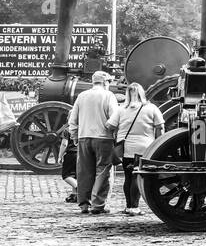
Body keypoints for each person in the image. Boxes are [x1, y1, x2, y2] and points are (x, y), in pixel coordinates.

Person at [105, 82, 165, 216]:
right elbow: (160, 126)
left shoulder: (121, 109)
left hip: (127, 148)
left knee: (128, 177)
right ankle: (135, 207)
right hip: (145, 147)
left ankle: (128, 206)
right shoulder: (151, 108)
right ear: (141, 93)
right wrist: (158, 143)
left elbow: (109, 126)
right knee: (137, 177)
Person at [67, 70, 118, 215]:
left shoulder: (82, 96)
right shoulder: (108, 95)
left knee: (84, 171)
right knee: (103, 171)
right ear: (105, 82)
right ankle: (98, 204)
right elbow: (114, 118)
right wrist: (113, 133)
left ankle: (84, 204)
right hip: (103, 139)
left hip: (84, 137)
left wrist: (75, 137)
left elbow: (73, 120)